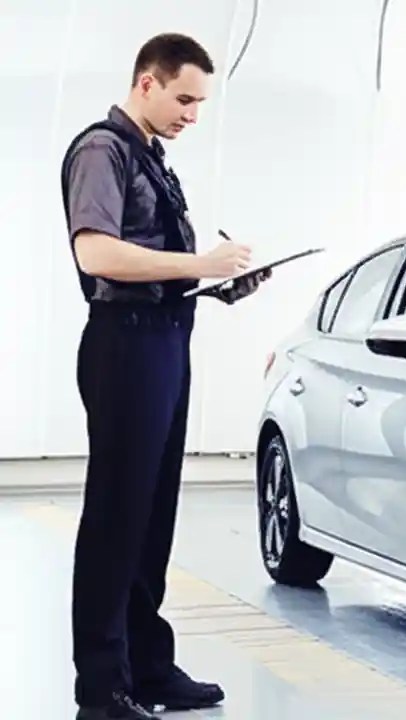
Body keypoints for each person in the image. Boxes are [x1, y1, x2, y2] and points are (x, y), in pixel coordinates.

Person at [60, 33, 268, 719]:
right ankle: (103, 687)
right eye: (184, 98)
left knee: (152, 518)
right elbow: (97, 254)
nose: (191, 115)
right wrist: (197, 265)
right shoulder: (102, 150)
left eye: (200, 102)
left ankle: (147, 667)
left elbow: (156, 265)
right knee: (117, 517)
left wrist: (218, 282)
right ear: (146, 82)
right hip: (125, 349)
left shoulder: (152, 158)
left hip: (164, 340)